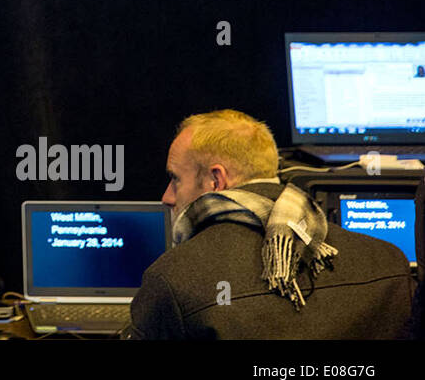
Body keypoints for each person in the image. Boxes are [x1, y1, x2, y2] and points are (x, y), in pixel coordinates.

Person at [125, 109, 415, 339]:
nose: (166, 197)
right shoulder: (389, 262)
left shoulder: (173, 280)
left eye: (176, 179)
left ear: (216, 179)